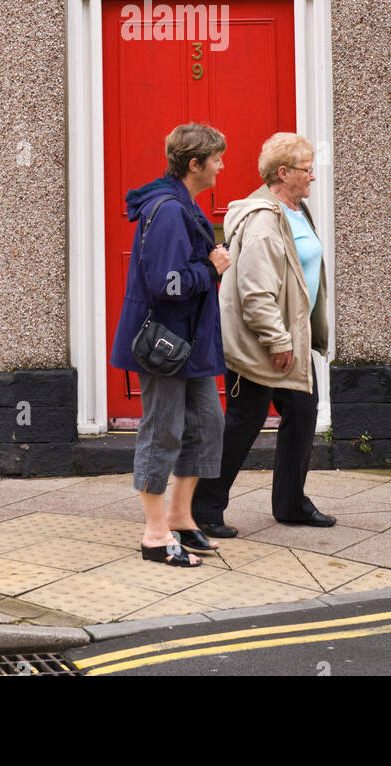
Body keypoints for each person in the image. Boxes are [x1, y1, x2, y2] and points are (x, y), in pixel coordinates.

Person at [192, 132, 334, 536]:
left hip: (292, 336)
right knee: (242, 423)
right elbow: (255, 291)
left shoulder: (296, 210)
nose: (312, 177)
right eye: (307, 170)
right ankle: (205, 507)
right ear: (283, 173)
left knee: (303, 414)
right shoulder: (262, 220)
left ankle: (290, 503)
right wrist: (277, 340)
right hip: (264, 343)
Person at [110, 123, 232, 568]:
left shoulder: (182, 206)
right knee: (162, 431)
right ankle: (154, 535)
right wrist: (213, 267)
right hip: (166, 344)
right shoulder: (167, 212)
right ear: (195, 164)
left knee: (207, 423)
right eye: (216, 158)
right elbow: (169, 283)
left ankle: (180, 517)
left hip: (189, 343)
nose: (222, 165)